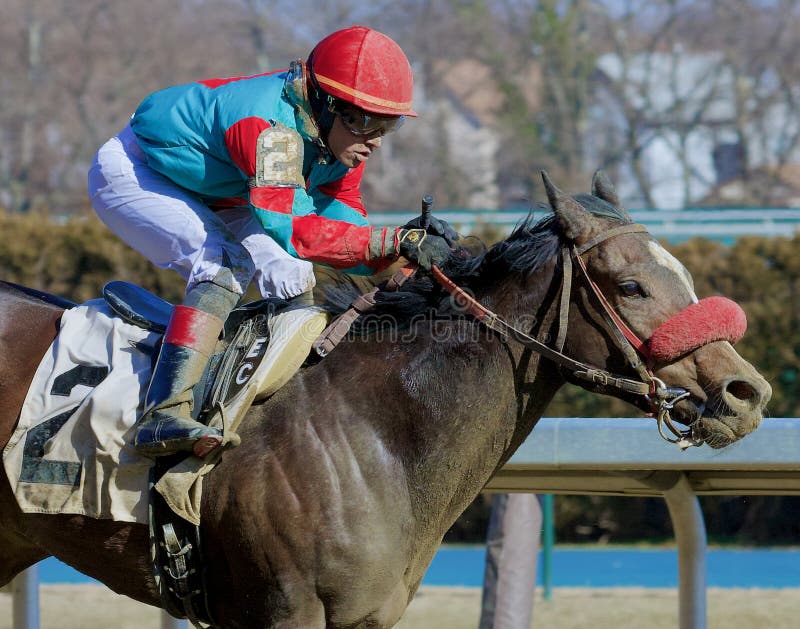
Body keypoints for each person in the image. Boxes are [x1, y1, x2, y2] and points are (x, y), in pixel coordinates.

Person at [88, 25, 458, 460]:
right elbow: (299, 231)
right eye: (362, 121)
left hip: (228, 190)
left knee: (292, 277)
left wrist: (399, 249)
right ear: (323, 103)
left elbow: (342, 230)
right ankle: (162, 414)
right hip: (138, 172)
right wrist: (388, 240)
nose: (373, 140)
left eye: (386, 124)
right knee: (225, 265)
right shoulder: (272, 131)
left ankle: (277, 413)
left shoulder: (338, 142)